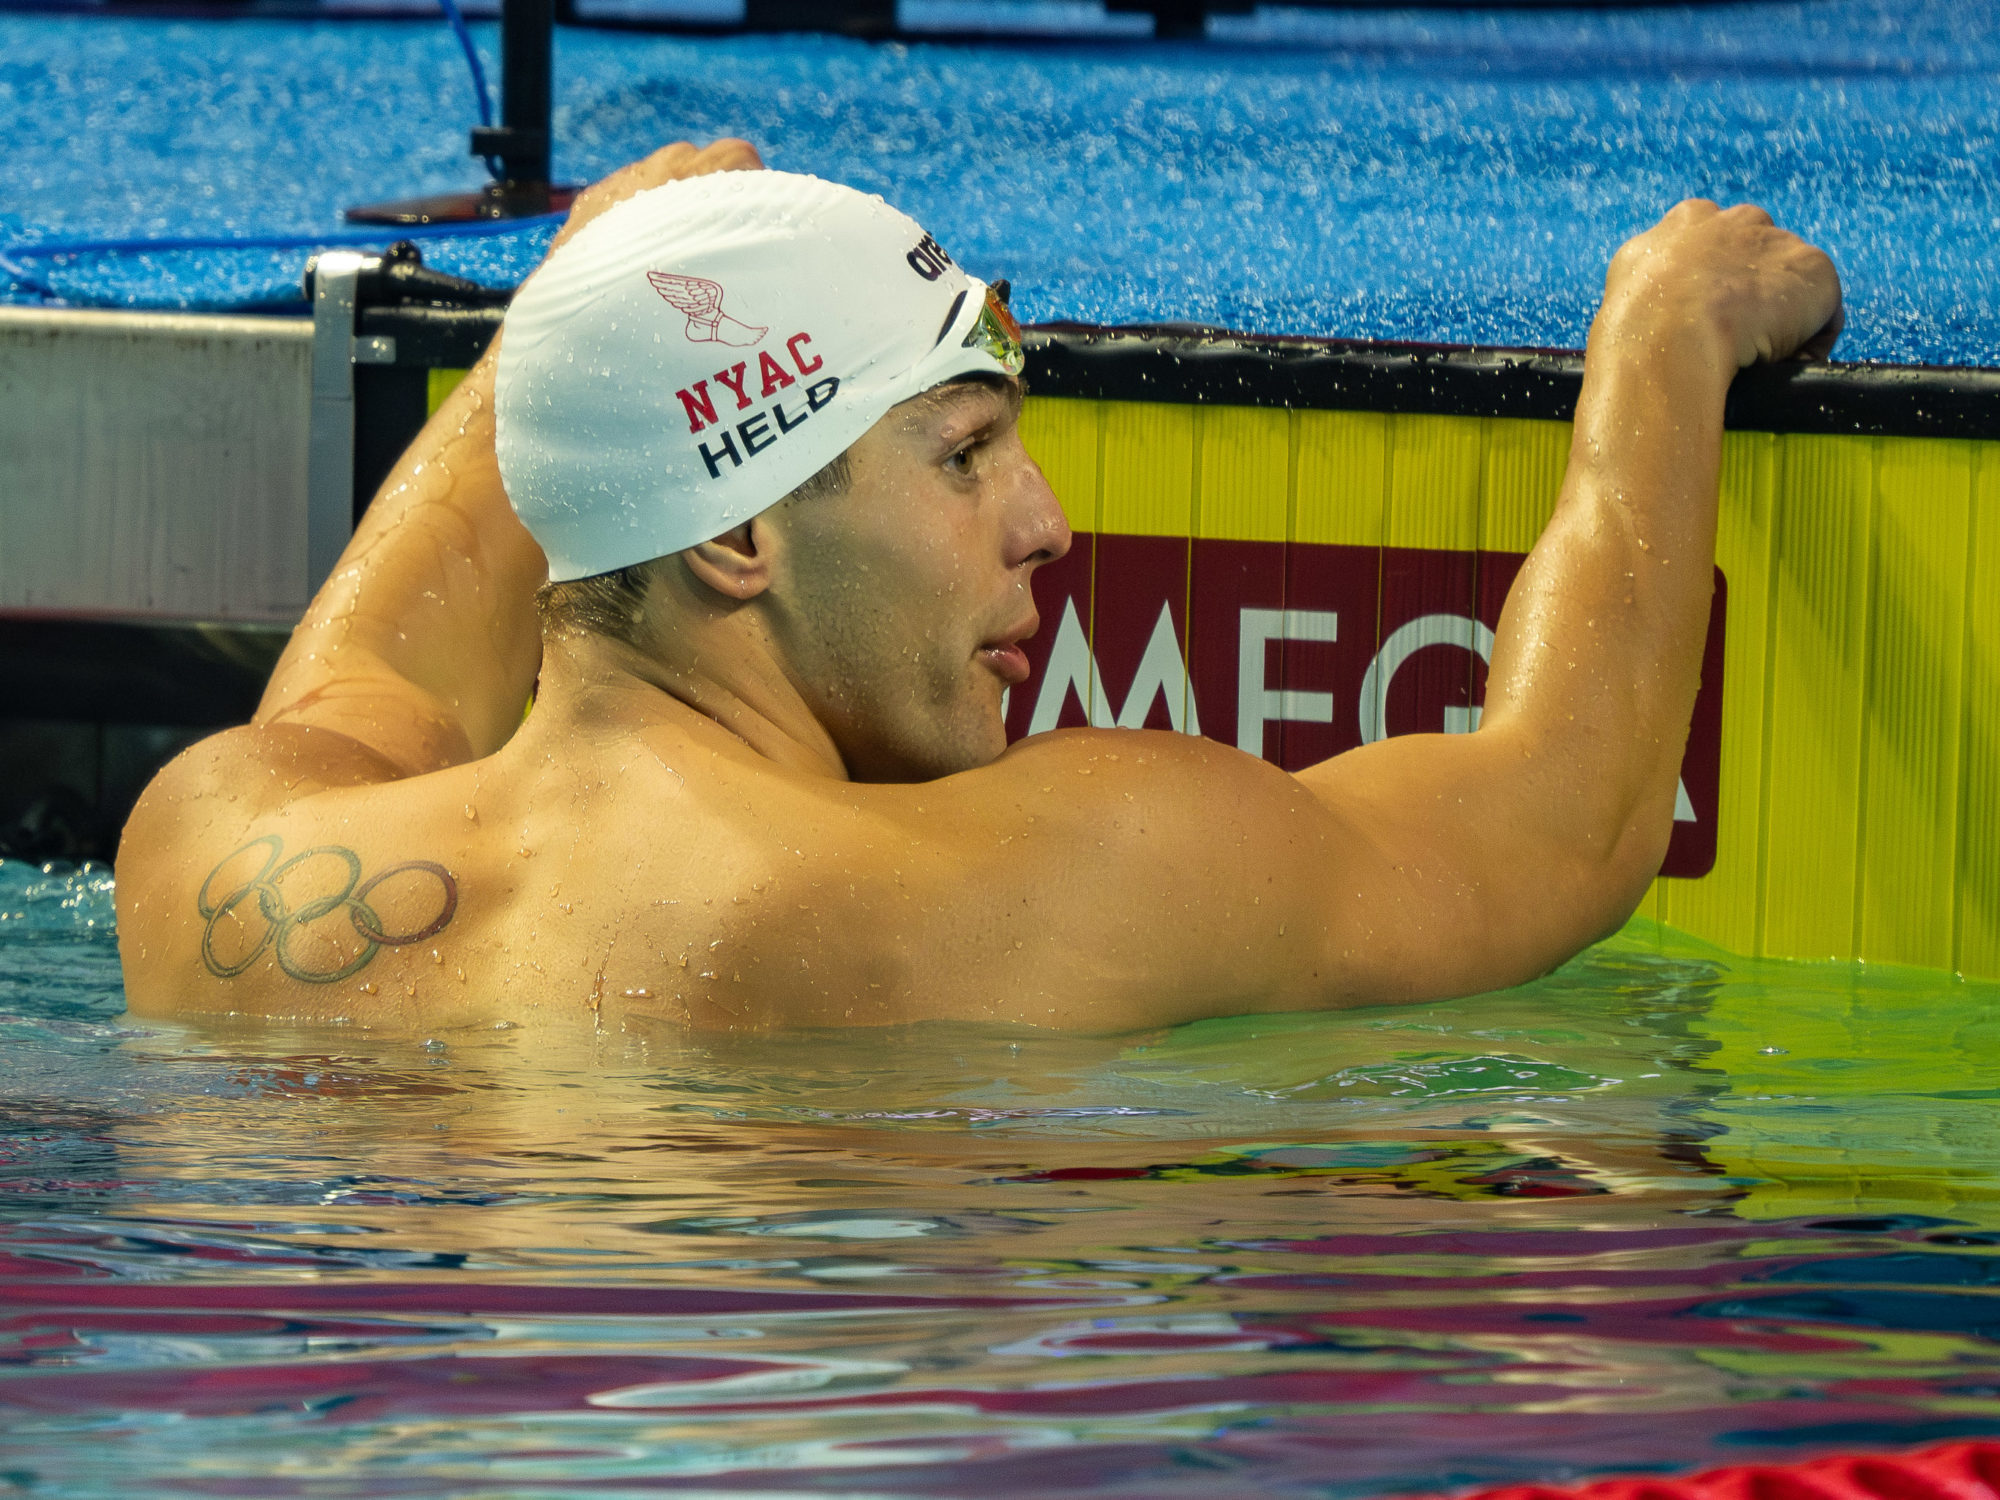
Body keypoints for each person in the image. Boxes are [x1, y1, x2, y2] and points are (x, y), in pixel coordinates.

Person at [113, 139, 1842, 1033]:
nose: (1047, 522)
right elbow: (1565, 824)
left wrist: (579, 305)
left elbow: (365, 697)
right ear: (737, 536)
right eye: (962, 457)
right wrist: (1664, 345)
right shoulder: (1037, 882)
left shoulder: (228, 859)